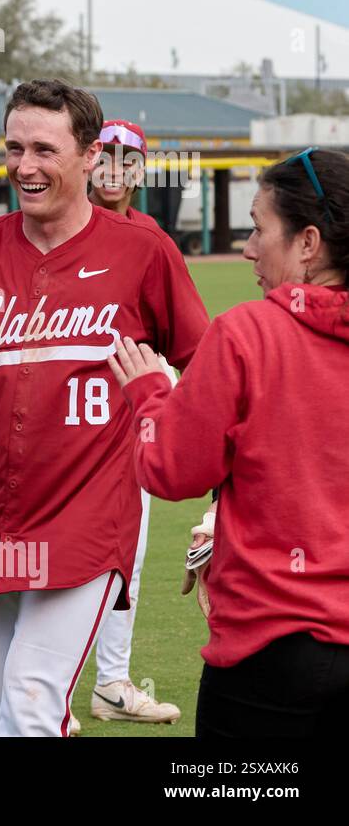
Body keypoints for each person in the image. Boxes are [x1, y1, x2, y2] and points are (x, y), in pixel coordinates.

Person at [0, 79, 209, 737]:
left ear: (89, 155)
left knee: (30, 700)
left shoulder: (143, 252)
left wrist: (225, 495)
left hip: (90, 520)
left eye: (44, 148)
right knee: (0, 716)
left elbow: (209, 371)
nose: (24, 166)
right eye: (13, 148)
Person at [109, 147, 349, 737]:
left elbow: (170, 471)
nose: (246, 248)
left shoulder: (247, 333)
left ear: (308, 243)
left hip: (266, 649)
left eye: (257, 228)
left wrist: (148, 392)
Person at [82, 119, 187, 726]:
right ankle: (33, 678)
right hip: (59, 421)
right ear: (89, 160)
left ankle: (112, 682)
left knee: (131, 552)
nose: (117, 169)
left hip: (126, 421)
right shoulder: (57, 229)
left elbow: (185, 338)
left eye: (130, 159)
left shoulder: (152, 239)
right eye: (107, 156)